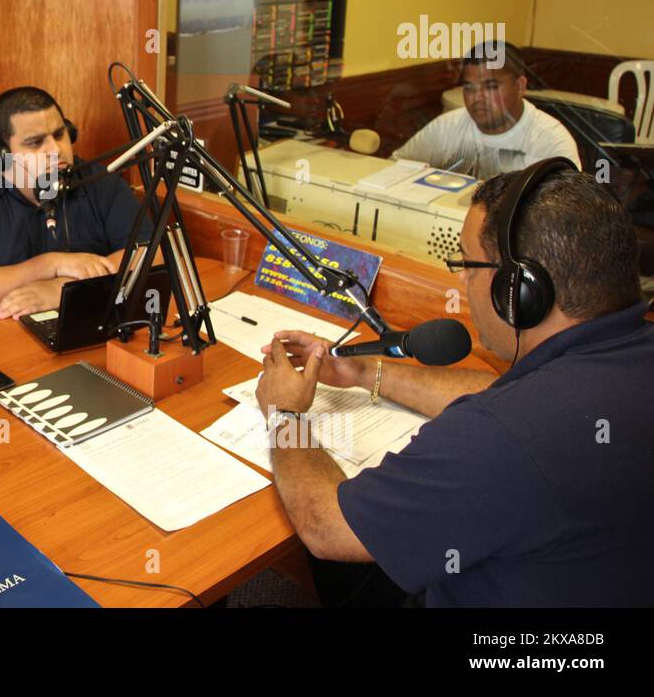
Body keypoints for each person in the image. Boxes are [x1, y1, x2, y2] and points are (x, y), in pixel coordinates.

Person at [254, 160, 652, 606]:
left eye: (469, 264)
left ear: (519, 289)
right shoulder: (623, 357)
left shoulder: (501, 436)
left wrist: (283, 413)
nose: (462, 279)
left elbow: (327, 528)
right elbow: (511, 401)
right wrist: (365, 372)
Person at [0, 86, 141, 323]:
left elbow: (152, 253)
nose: (55, 150)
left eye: (59, 134)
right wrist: (51, 265)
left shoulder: (101, 181)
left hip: (84, 325)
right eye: (35, 142)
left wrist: (63, 288)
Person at [392, 41, 580, 179]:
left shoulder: (551, 141)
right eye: (469, 88)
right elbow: (395, 167)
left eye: (490, 87)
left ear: (520, 86)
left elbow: (566, 213)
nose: (478, 97)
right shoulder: (447, 126)